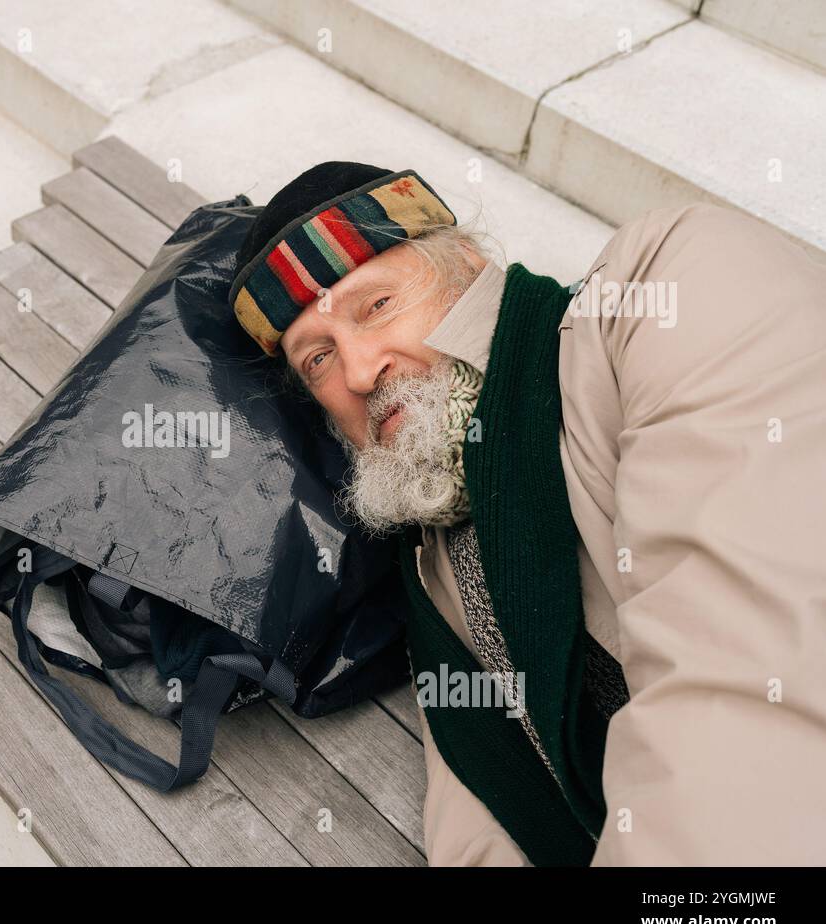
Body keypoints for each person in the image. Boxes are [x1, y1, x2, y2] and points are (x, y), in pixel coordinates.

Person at [227, 161, 826, 866]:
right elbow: (476, 807)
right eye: (318, 359)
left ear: (469, 270)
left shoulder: (670, 287)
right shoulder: (434, 562)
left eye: (376, 306)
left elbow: (748, 694)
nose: (358, 373)